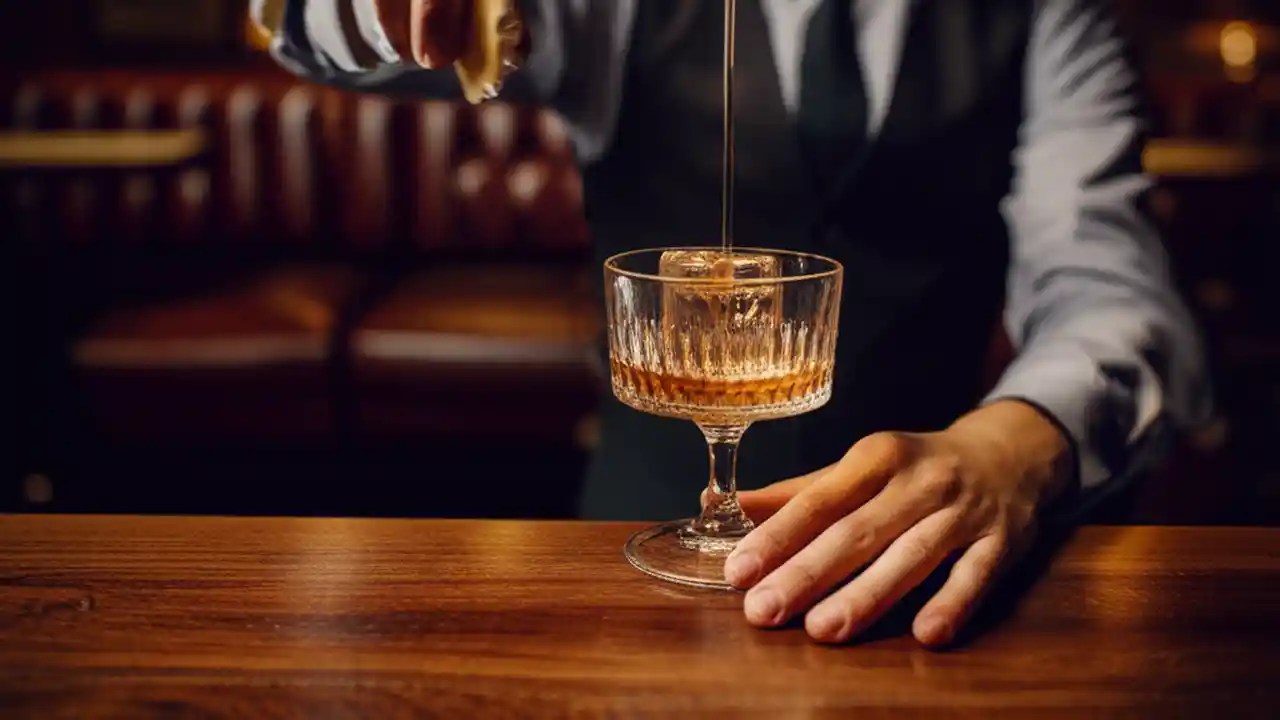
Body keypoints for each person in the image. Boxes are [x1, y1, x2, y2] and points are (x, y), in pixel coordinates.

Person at [255, 0, 1210, 647]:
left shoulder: (1049, 14)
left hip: (927, 594)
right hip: (634, 582)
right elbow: (326, 31)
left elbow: (1111, 279)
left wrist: (1018, 445)